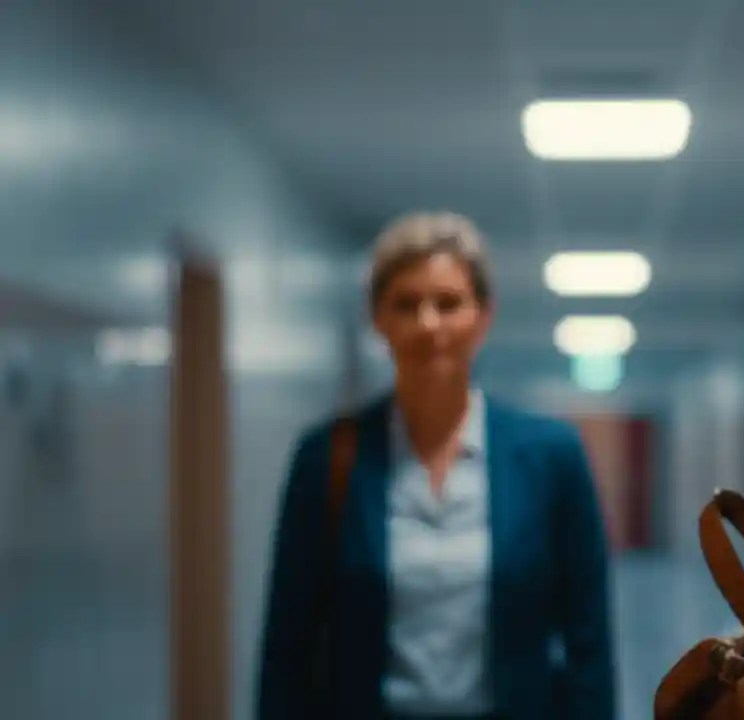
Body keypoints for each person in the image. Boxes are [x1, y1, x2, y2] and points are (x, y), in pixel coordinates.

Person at [256, 212, 616, 720]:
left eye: (448, 303)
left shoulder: (551, 456)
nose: (429, 324)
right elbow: (287, 642)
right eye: (406, 304)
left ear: (482, 318)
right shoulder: (329, 457)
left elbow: (589, 641)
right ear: (378, 319)